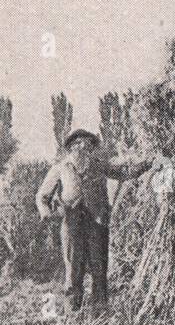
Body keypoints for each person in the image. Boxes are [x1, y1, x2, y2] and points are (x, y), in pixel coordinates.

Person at [36, 130, 151, 312]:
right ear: (72, 147)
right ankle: (73, 314)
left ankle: (100, 313)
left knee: (99, 269)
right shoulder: (60, 168)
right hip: (71, 223)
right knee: (73, 270)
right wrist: (46, 213)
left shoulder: (99, 166)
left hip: (97, 223)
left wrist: (147, 164)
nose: (84, 147)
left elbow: (124, 171)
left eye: (88, 144)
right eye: (80, 143)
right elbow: (42, 196)